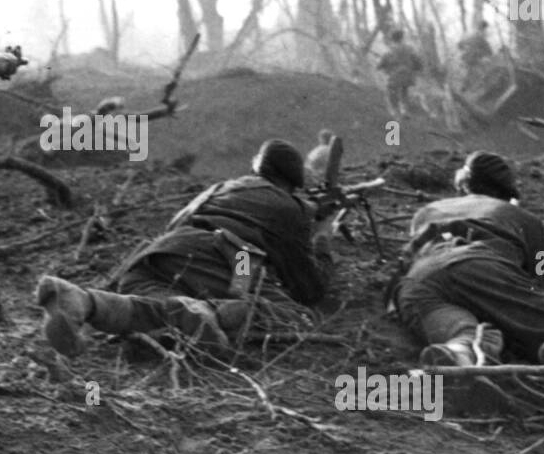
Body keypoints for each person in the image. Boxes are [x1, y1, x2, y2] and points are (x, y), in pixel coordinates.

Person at [37, 139, 335, 355]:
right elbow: (310, 290)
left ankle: (83, 302)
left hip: (155, 257)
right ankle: (209, 311)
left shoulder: (220, 188)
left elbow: (175, 226)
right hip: (235, 257)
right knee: (293, 317)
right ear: (292, 181)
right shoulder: (287, 206)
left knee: (159, 312)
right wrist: (322, 237)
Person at [391, 150, 544, 373]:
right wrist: (537, 302)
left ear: (464, 182)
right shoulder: (528, 221)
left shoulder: (428, 211)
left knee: (465, 332)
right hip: (481, 264)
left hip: (416, 282)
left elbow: (410, 253)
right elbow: (541, 277)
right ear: (505, 192)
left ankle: (460, 353)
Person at [377, 28, 424, 118]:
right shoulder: (410, 49)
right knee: (404, 91)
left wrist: (381, 64)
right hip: (408, 76)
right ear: (402, 38)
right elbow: (418, 61)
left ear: (392, 39)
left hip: (394, 77)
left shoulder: (388, 51)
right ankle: (404, 110)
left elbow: (380, 65)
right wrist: (417, 69)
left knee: (390, 90)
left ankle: (395, 110)